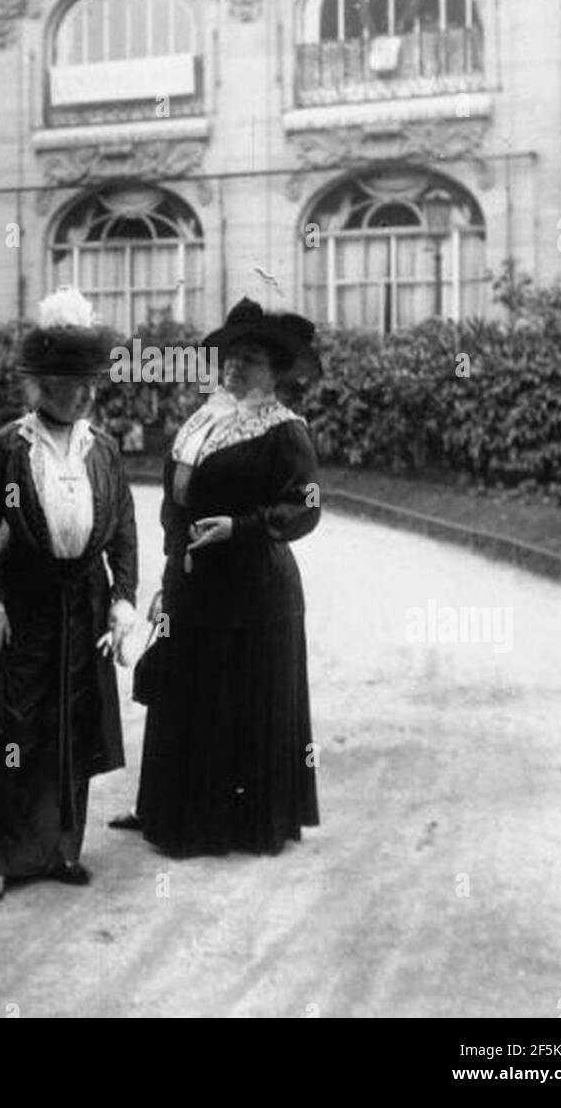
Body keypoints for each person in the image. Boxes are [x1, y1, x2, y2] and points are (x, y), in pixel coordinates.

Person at [112, 297, 321, 857]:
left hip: (253, 592)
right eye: (231, 356)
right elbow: (174, 505)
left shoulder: (285, 431)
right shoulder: (204, 419)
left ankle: (225, 823)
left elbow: (307, 507)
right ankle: (164, 808)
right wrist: (167, 576)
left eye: (250, 359)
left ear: (275, 371)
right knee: (183, 690)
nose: (234, 367)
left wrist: (242, 527)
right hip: (193, 584)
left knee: (231, 698)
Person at [0, 289, 138, 905]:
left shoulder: (103, 451)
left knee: (71, 731)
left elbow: (125, 534)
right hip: (24, 610)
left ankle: (61, 849)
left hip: (83, 611)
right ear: (41, 384)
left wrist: (123, 600)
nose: (83, 394)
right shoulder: (9, 448)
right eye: (69, 381)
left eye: (90, 382)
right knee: (10, 732)